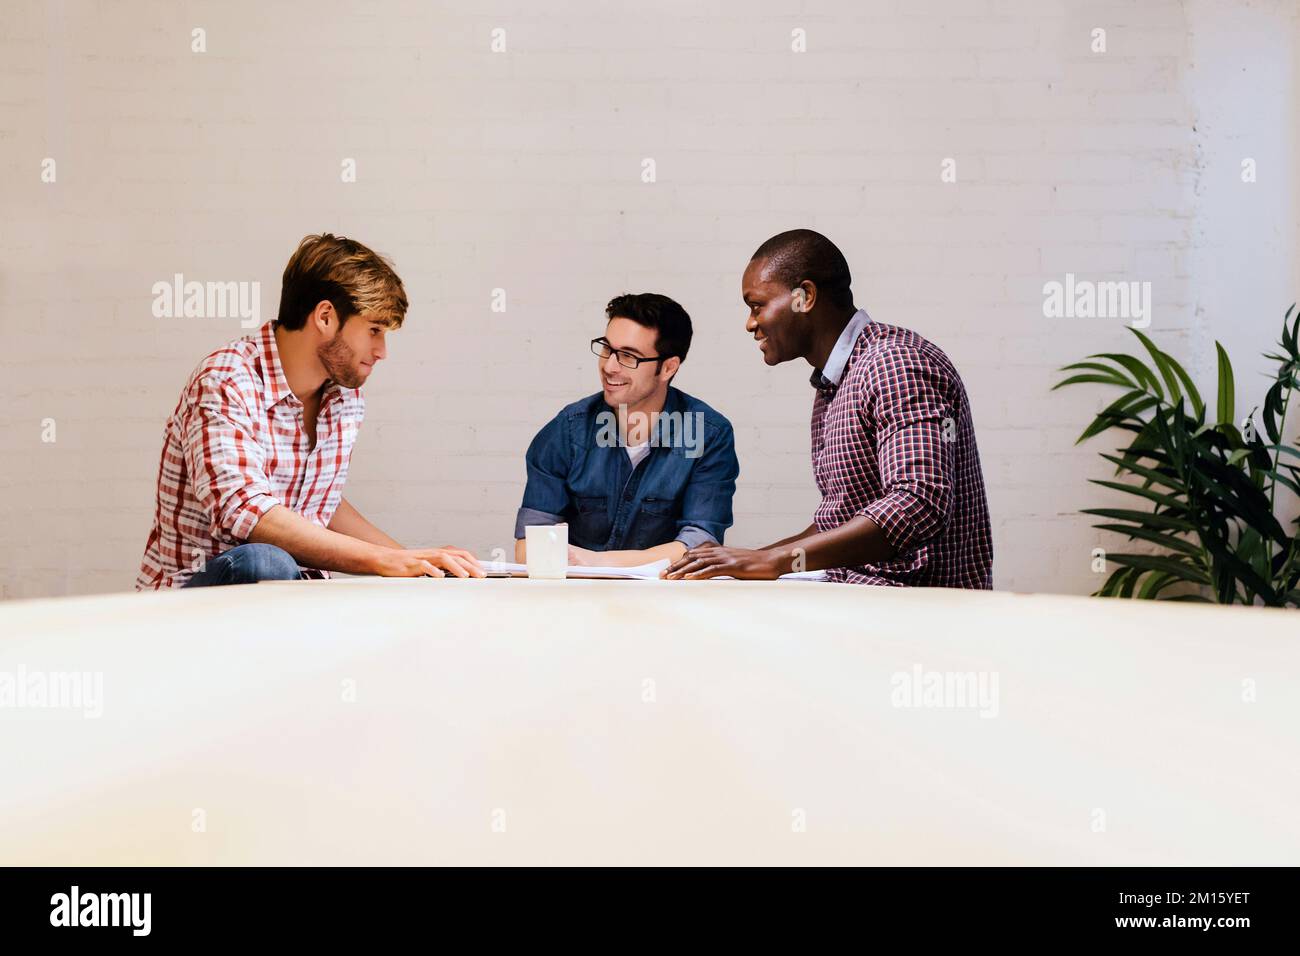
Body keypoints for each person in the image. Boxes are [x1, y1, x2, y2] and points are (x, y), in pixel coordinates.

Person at [136, 233, 484, 588]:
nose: (382, 351)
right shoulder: (227, 381)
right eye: (375, 330)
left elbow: (320, 503)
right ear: (325, 317)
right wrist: (386, 561)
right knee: (265, 560)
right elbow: (248, 515)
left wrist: (421, 567)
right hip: (193, 604)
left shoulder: (343, 397)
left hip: (297, 598)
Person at [664, 229, 992, 586]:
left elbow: (917, 502)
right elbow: (841, 521)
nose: (750, 324)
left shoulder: (894, 363)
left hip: (917, 613)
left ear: (804, 297)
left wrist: (773, 562)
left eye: (757, 305)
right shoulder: (835, 381)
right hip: (864, 598)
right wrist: (747, 564)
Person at [515, 293, 739, 567]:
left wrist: (595, 561)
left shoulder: (708, 434)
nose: (609, 366)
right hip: (576, 599)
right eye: (607, 349)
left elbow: (700, 545)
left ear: (668, 367)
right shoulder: (567, 429)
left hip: (666, 599)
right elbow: (529, 545)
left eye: (628, 356)